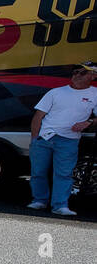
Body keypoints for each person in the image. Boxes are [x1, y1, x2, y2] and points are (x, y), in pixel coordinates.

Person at [28, 62, 97, 216]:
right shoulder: (56, 92)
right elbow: (38, 116)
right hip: (45, 137)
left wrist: (88, 122)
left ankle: (60, 206)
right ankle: (39, 200)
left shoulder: (95, 94)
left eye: (82, 73)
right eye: (75, 72)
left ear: (93, 76)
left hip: (69, 140)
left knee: (64, 174)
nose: (77, 75)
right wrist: (35, 139)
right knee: (38, 171)